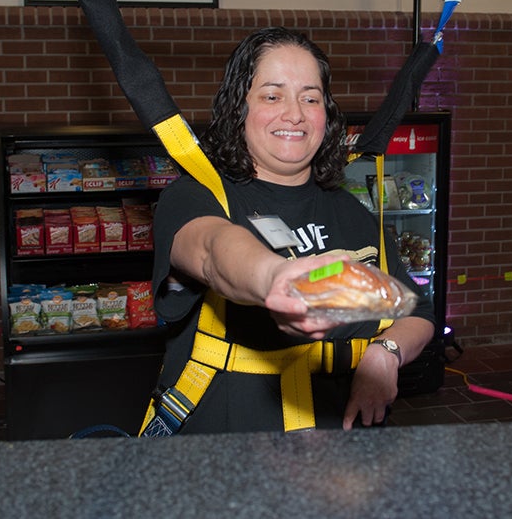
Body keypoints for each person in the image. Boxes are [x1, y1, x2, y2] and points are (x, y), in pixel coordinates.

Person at [142, 26, 435, 434]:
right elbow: (213, 251)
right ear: (238, 108)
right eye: (272, 95)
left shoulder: (353, 211)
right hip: (228, 448)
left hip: (343, 452)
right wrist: (275, 276)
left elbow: (417, 311)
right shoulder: (195, 198)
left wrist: (386, 353)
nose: (294, 114)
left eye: (310, 98)